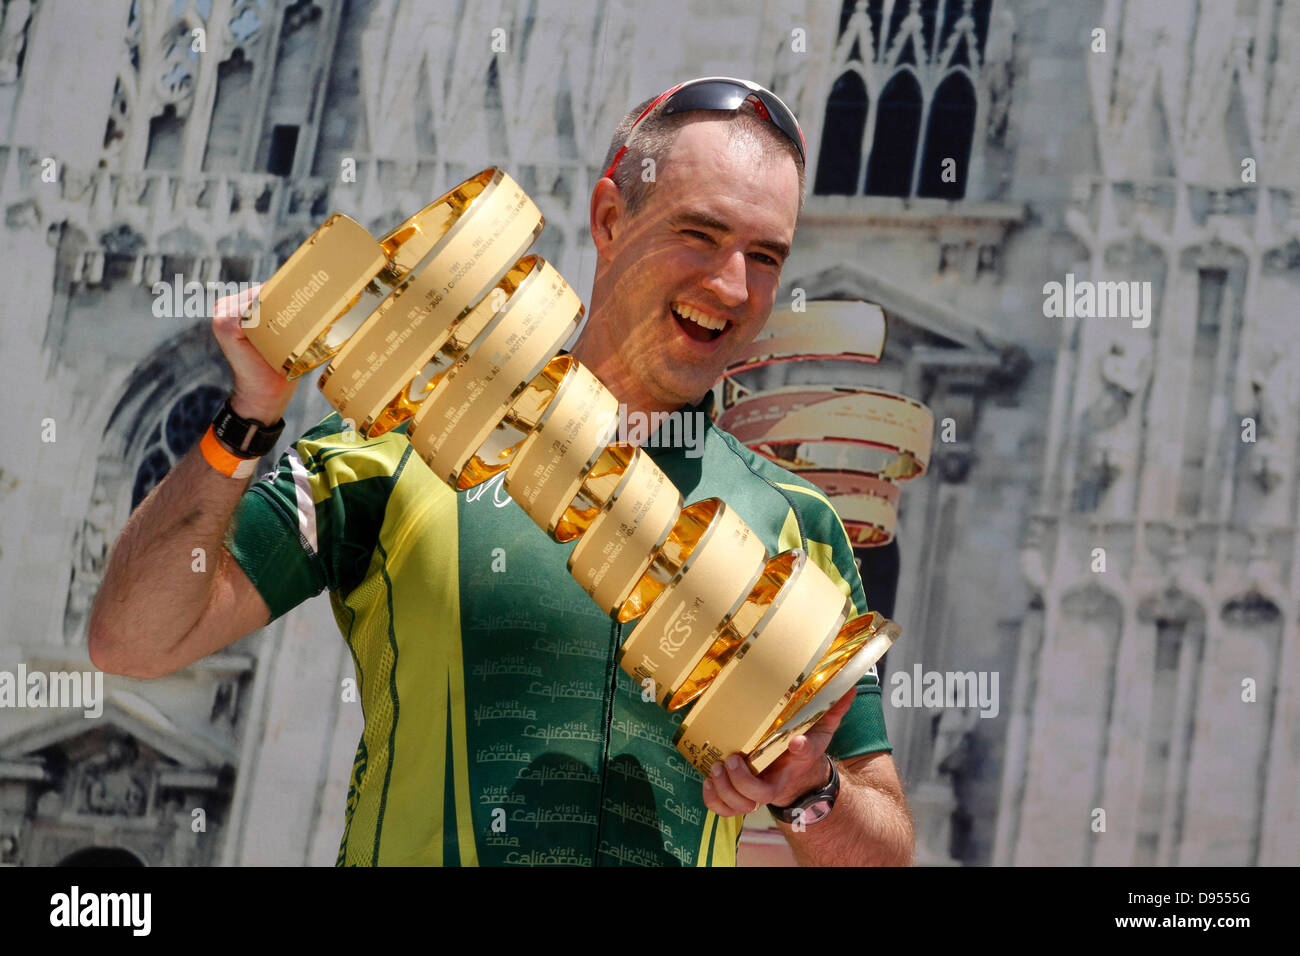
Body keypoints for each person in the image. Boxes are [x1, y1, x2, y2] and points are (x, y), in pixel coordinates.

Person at [89, 77, 914, 866]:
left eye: (765, 257)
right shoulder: (396, 446)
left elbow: (881, 848)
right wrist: (248, 417)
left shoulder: (798, 525)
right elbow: (131, 641)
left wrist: (813, 791)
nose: (731, 285)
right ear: (608, 216)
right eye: (699, 234)